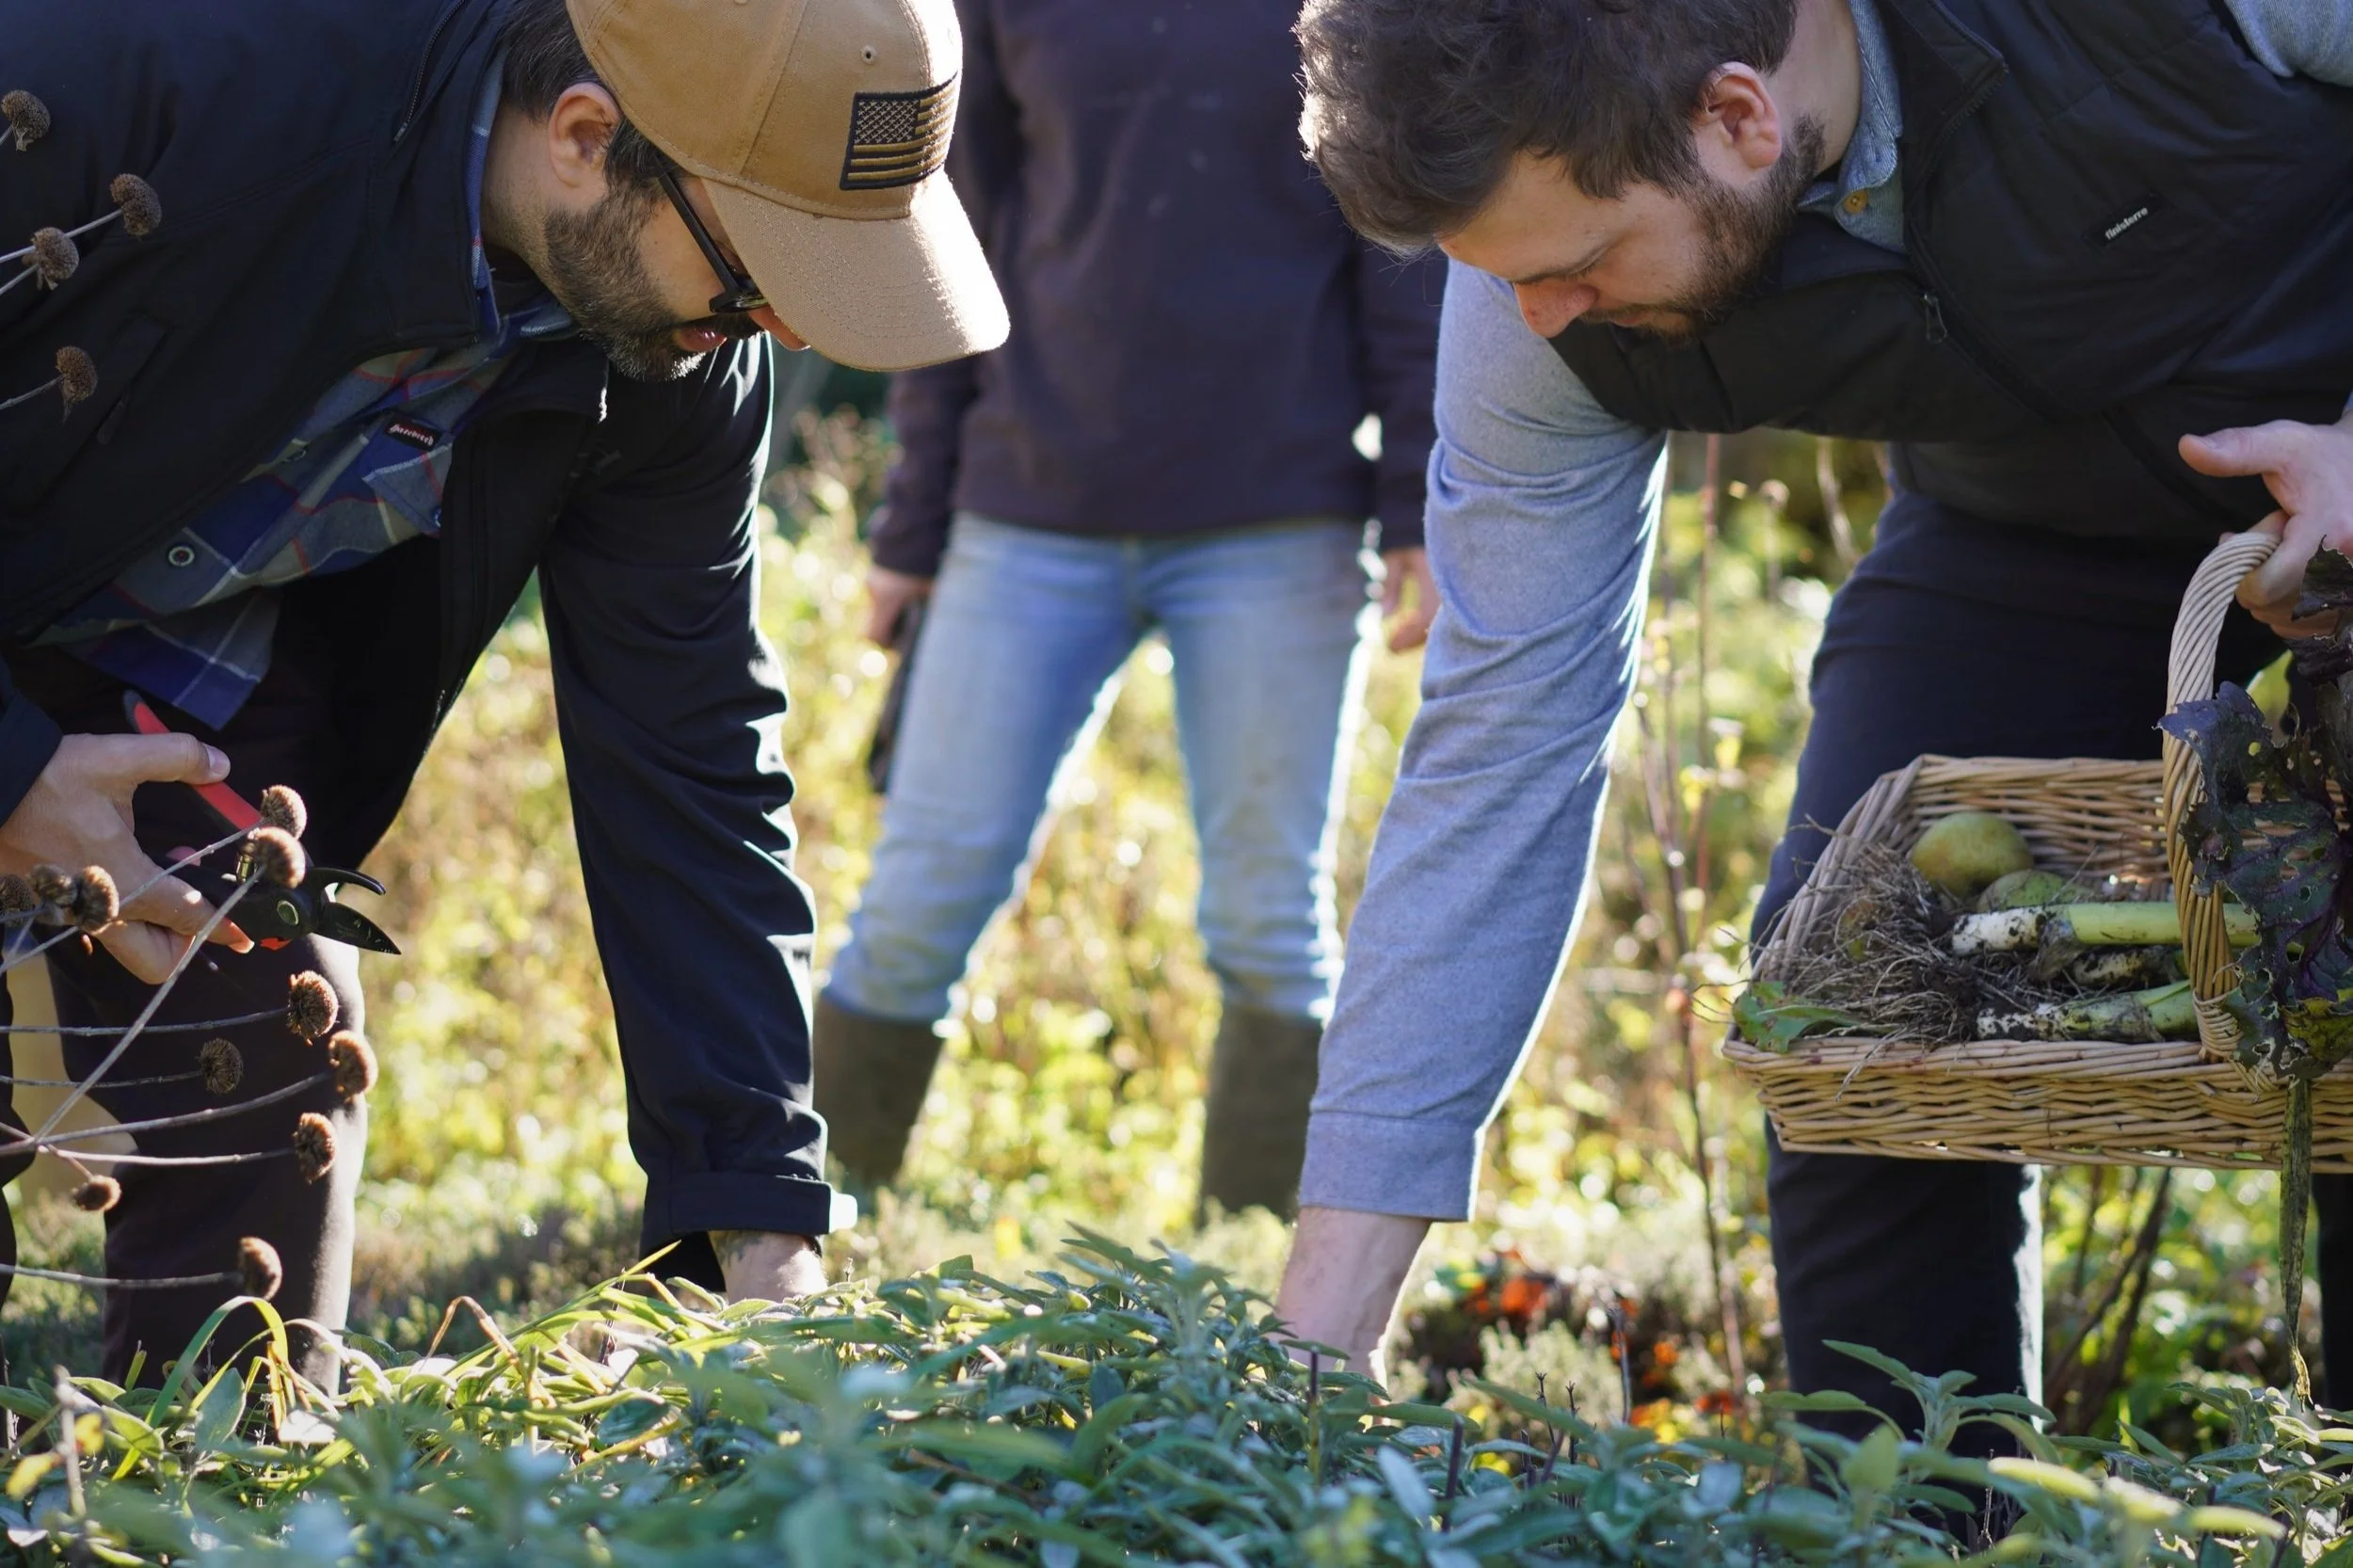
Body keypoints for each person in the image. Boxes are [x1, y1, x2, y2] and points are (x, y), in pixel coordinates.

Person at [1268, 0, 2353, 1424]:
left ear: (1737, 115)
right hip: (2020, 539)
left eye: (1581, 265)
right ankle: (1909, 1527)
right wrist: (1312, 1350)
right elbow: (1499, 746)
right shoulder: (1533, 285)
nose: (1539, 314)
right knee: (1851, 1027)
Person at [0, 0, 1005, 1384]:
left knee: (273, 1059)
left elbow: (689, 751)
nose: (775, 328)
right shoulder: (129, 80)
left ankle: (209, 1499)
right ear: (588, 138)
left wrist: (757, 1210)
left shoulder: (675, 344)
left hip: (189, 677)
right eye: (757, 273)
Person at [809, 0, 1443, 1217]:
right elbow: (949, 236)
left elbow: (1401, 248)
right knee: (919, 896)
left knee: (1270, 921)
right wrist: (914, 522)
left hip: (1281, 517)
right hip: (1028, 510)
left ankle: (1254, 1288)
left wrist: (1418, 501)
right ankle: (800, 1241)